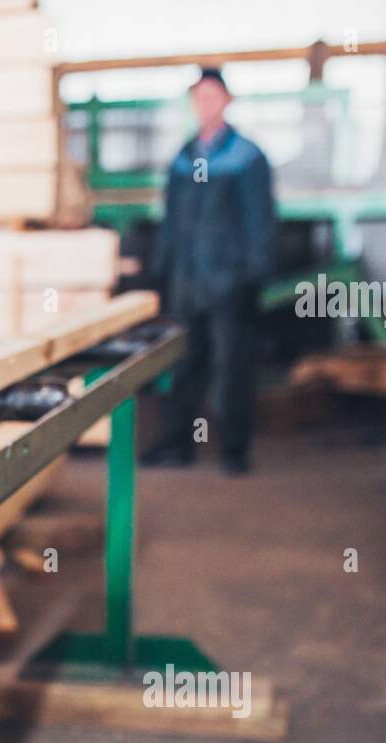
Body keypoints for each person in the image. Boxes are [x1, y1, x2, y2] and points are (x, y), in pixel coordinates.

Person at [145, 66, 276, 475]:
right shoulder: (183, 160)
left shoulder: (245, 158)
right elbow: (170, 221)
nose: (206, 104)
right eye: (199, 97)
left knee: (232, 365)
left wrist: (254, 273)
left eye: (213, 96)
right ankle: (176, 446)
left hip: (228, 280)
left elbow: (260, 219)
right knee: (184, 364)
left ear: (227, 102)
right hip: (187, 280)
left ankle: (234, 452)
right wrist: (162, 270)